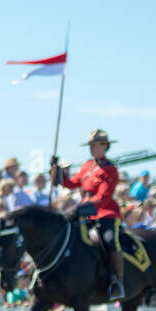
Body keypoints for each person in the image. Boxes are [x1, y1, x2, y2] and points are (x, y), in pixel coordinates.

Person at [53, 128, 125, 300]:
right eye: (91, 145)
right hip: (84, 213)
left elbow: (103, 197)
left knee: (109, 240)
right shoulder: (87, 166)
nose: (92, 148)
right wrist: (58, 170)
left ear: (105, 146)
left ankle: (117, 280)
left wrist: (83, 206)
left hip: (105, 213)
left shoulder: (110, 169)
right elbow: (70, 183)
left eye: (96, 145)